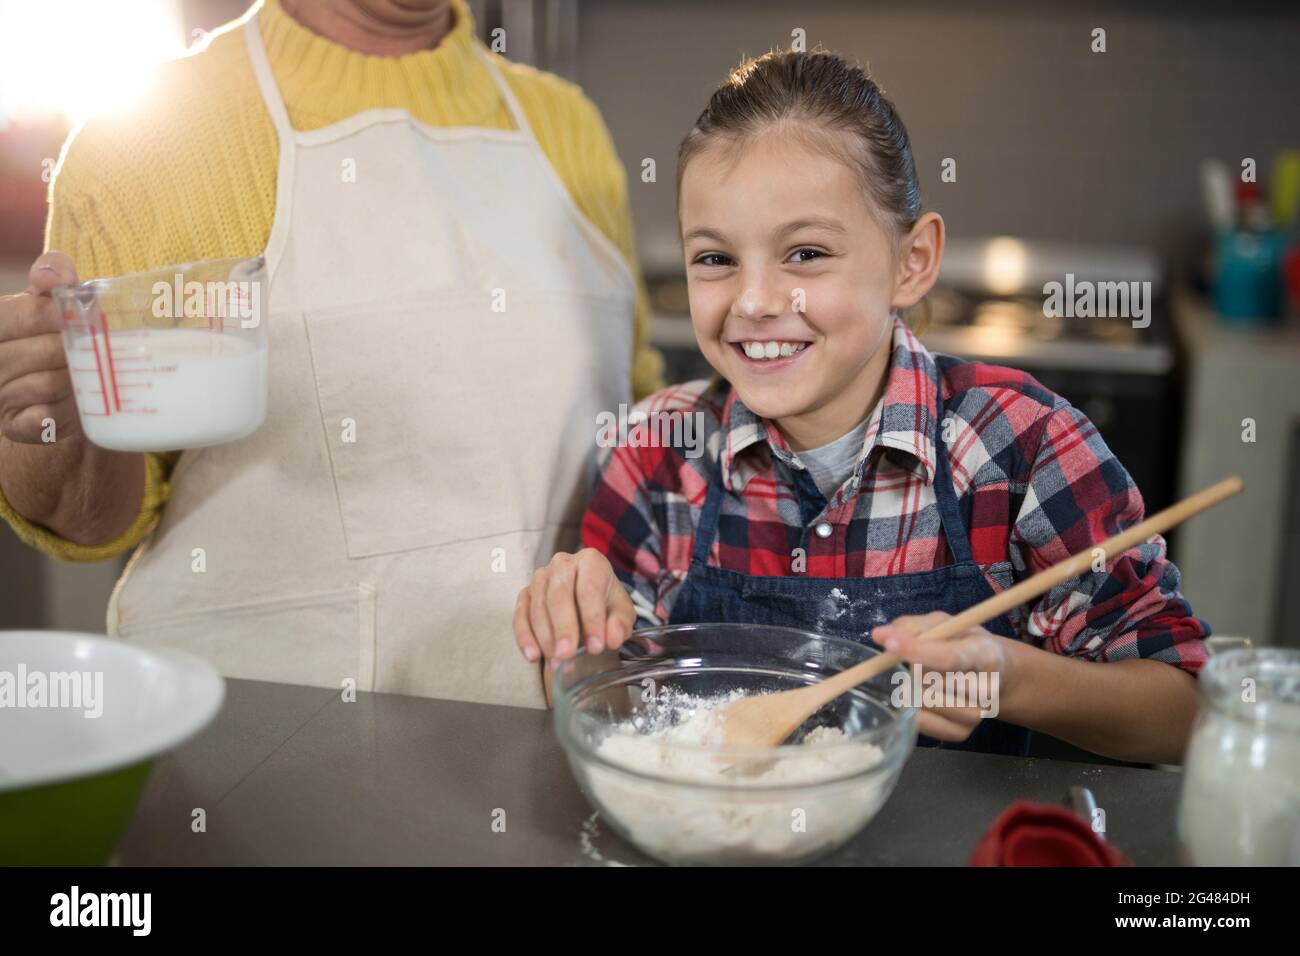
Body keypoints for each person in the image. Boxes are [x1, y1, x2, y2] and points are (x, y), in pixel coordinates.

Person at [512, 49, 1207, 763]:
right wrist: (579, 636)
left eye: (806, 253)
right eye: (715, 259)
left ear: (912, 261)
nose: (753, 301)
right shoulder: (657, 453)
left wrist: (1009, 678)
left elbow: (1181, 710)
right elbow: (609, 712)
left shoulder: (1023, 445)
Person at [0, 0, 661, 707]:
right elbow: (89, 517)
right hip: (270, 757)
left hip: (562, 733)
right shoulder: (146, 140)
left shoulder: (567, 125)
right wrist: (58, 424)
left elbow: (643, 436)